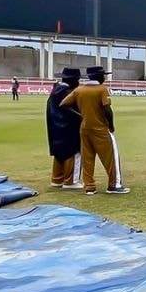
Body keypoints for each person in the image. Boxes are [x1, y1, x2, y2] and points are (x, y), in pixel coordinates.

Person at [61, 66, 129, 195]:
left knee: (87, 158)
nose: (104, 77)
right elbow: (107, 109)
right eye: (103, 75)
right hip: (100, 128)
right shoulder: (102, 89)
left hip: (85, 128)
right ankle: (114, 185)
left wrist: (81, 115)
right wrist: (111, 125)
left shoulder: (79, 89)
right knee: (111, 158)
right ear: (99, 77)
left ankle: (89, 187)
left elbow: (63, 104)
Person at [47, 68, 84, 187]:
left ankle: (57, 179)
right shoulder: (68, 92)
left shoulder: (55, 90)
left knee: (59, 152)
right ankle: (70, 181)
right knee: (73, 152)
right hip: (69, 127)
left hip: (55, 126)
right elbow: (73, 110)